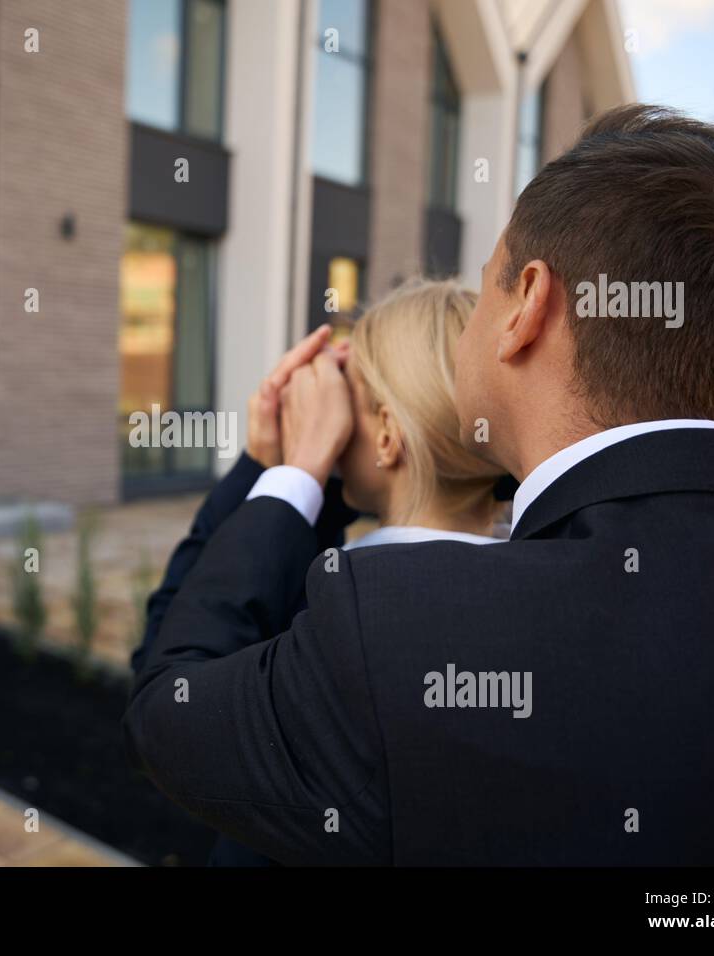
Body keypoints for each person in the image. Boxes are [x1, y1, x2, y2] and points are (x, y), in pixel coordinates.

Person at [124, 104, 714, 865]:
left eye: (486, 287)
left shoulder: (392, 623)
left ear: (527, 305)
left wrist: (289, 475)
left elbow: (171, 708)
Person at [131, 279, 504, 864]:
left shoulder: (339, 618)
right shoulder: (541, 578)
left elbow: (167, 681)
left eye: (343, 397)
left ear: (385, 433)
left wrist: (296, 468)